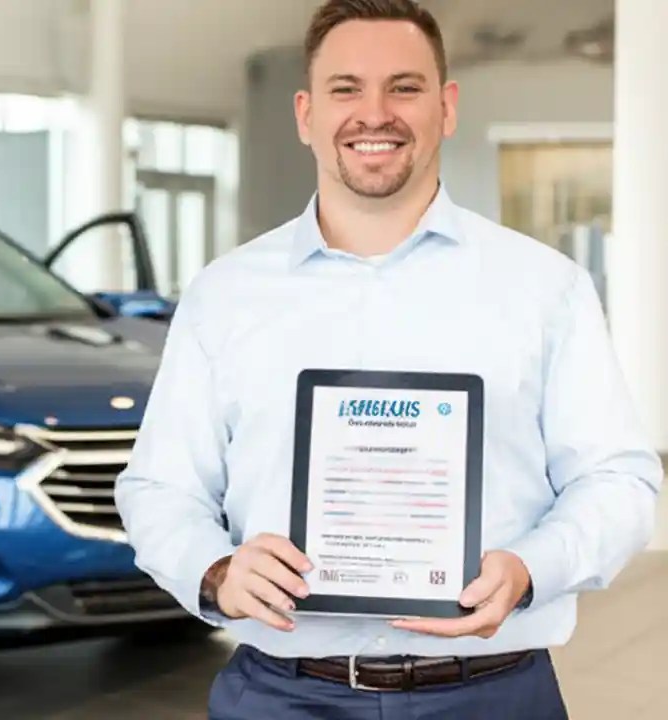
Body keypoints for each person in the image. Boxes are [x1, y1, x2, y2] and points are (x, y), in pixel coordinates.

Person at [114, 0, 663, 718]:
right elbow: (159, 487)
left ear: (447, 106)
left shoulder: (544, 289)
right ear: (306, 114)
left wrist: (533, 568)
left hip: (491, 695)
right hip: (281, 695)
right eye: (347, 89)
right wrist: (214, 570)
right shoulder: (226, 295)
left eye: (404, 87)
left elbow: (619, 480)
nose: (374, 113)